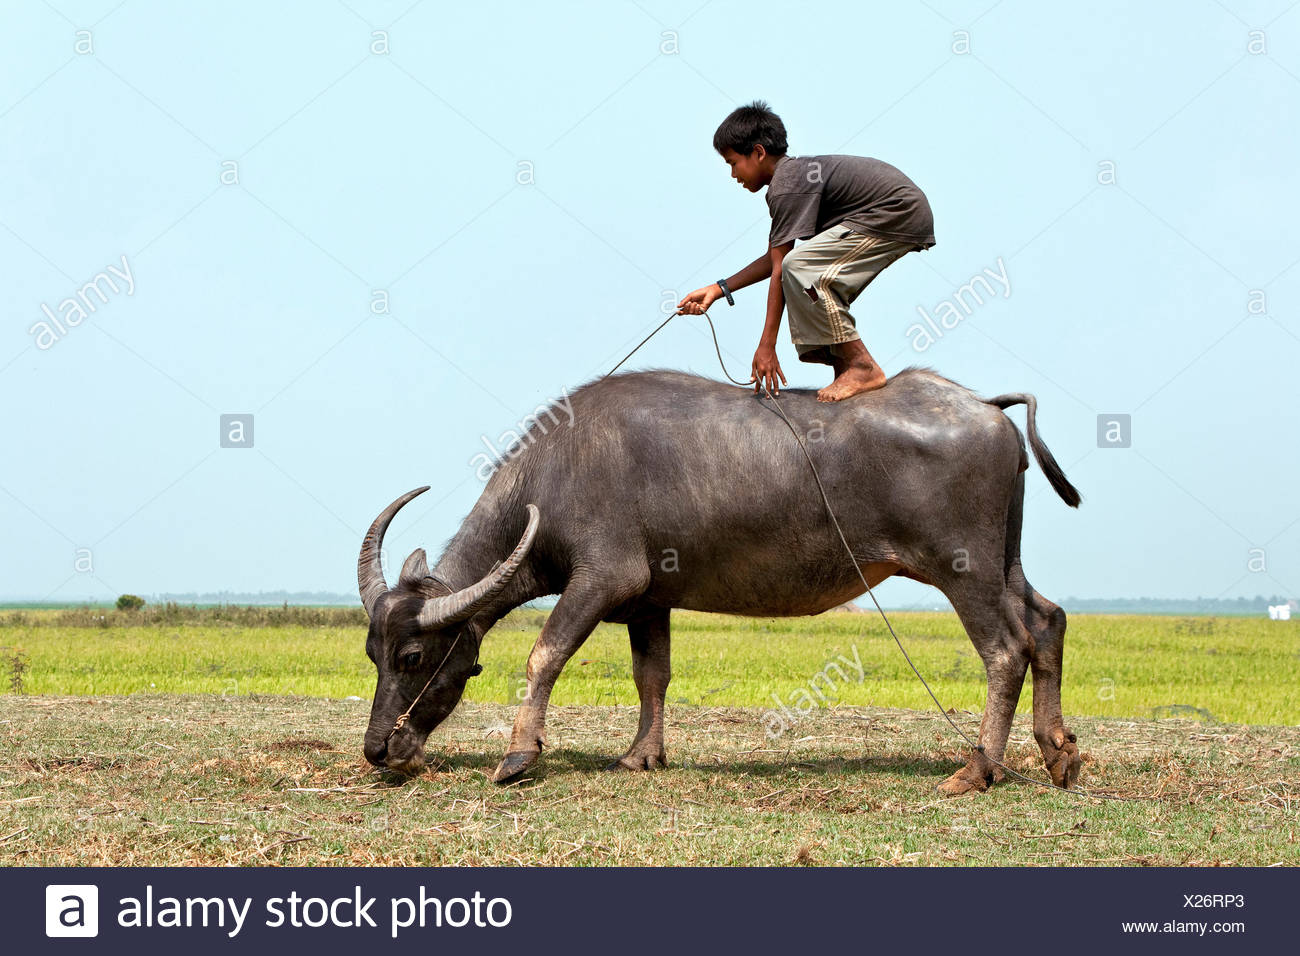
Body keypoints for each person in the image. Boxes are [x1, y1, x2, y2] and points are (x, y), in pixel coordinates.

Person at [679, 101, 935, 402]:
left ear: (758, 153)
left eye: (733, 163)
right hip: (888, 214)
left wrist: (767, 346)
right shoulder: (791, 179)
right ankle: (844, 367)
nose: (733, 174)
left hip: (895, 212)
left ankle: (861, 366)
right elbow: (773, 260)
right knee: (807, 273)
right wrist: (718, 289)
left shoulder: (787, 185)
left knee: (801, 268)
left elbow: (782, 268)